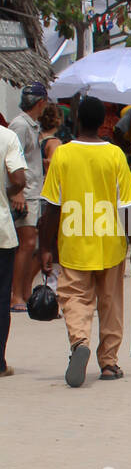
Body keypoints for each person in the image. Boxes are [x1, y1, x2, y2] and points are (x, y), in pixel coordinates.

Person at [37, 95, 131, 385]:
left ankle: (80, 342)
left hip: (73, 242)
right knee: (111, 303)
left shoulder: (63, 155)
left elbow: (52, 205)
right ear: (102, 125)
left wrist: (45, 247)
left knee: (74, 299)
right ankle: (109, 363)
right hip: (110, 242)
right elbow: (128, 206)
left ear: (78, 120)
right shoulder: (115, 155)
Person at [8, 82, 48, 310]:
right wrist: (19, 192)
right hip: (27, 192)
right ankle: (16, 296)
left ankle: (23, 292)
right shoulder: (20, 125)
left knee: (33, 244)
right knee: (27, 243)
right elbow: (13, 160)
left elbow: (26, 158)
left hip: (33, 191)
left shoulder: (30, 125)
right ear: (41, 103)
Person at [0, 121, 27, 375]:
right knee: (1, 297)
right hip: (1, 232)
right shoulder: (7, 137)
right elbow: (19, 179)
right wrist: (5, 192)